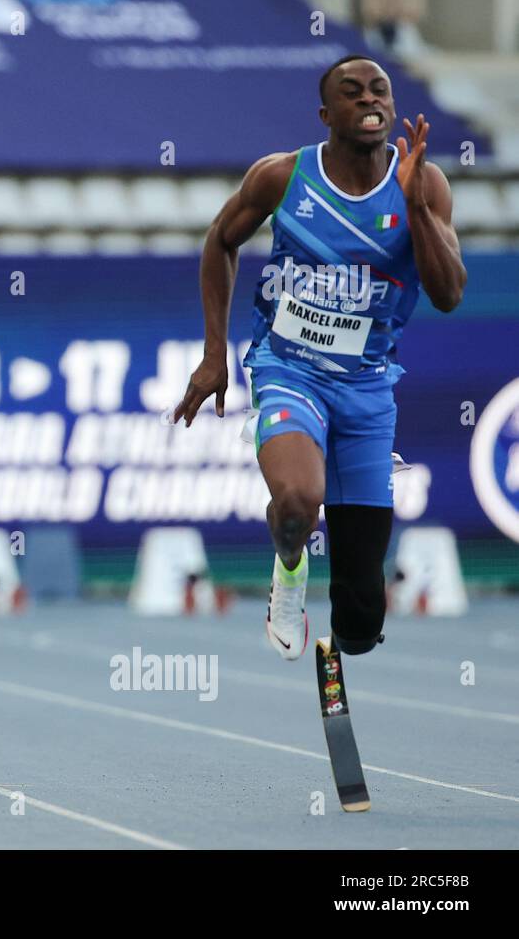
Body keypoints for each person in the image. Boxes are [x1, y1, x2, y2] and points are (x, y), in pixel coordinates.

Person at [172, 56, 465, 659]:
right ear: (327, 114)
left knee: (359, 627)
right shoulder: (282, 177)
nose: (368, 100)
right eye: (352, 93)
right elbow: (220, 240)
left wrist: (413, 207)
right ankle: (289, 569)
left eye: (378, 90)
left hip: (367, 389)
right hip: (288, 370)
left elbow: (448, 293)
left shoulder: (426, 184)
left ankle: (349, 615)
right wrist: (212, 355)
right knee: (298, 504)